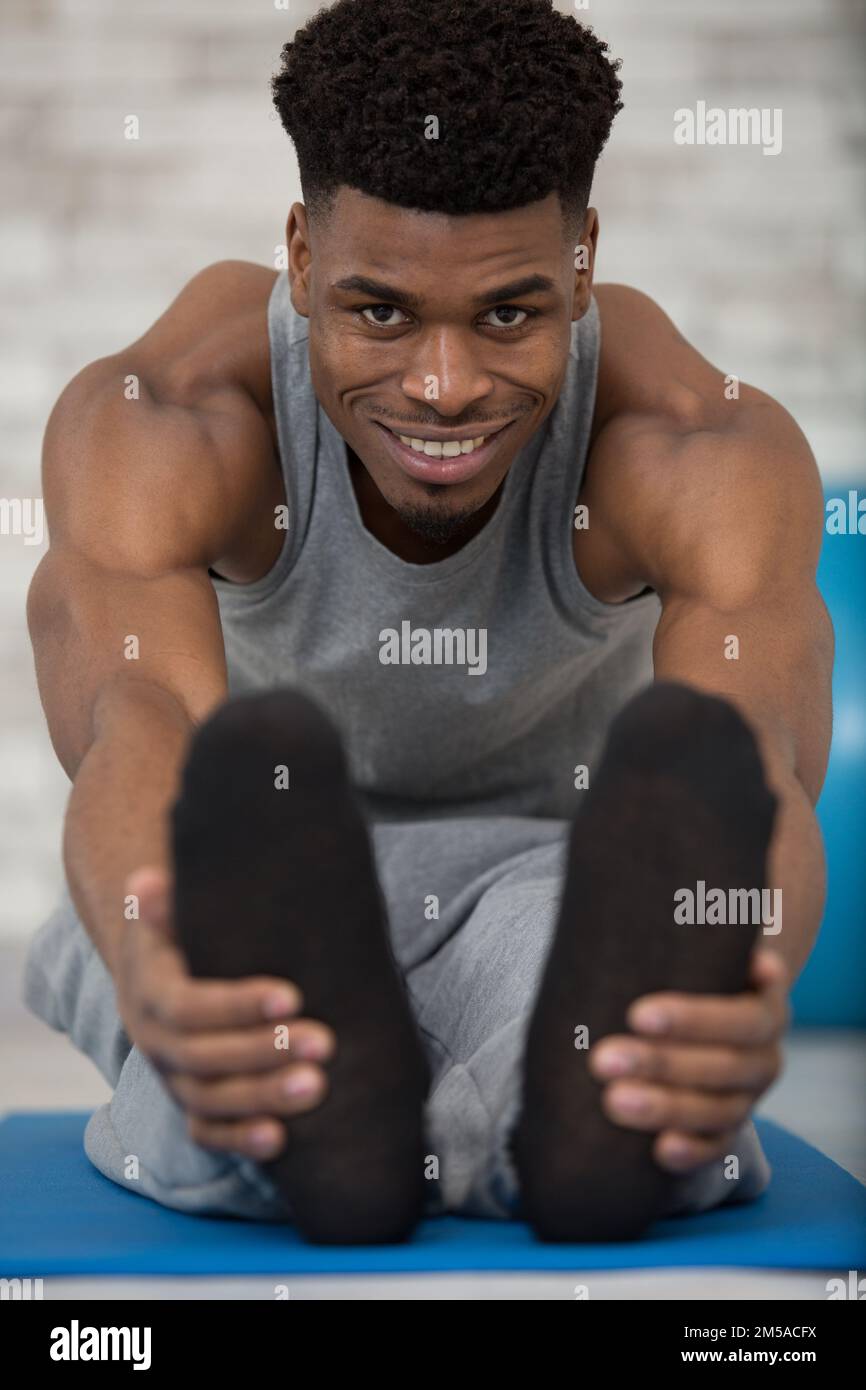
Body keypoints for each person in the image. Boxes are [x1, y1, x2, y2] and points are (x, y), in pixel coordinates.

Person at [23, 0, 831, 1244]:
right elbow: (143, 725)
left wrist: (742, 972)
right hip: (224, 861)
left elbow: (751, 750)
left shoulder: (691, 446)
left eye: (507, 312)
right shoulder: (167, 418)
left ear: (581, 259)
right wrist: (150, 958)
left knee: (648, 1102)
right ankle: (335, 1115)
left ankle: (395, 1137)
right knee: (221, 1061)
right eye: (380, 312)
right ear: (299, 256)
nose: (443, 388)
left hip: (546, 890)